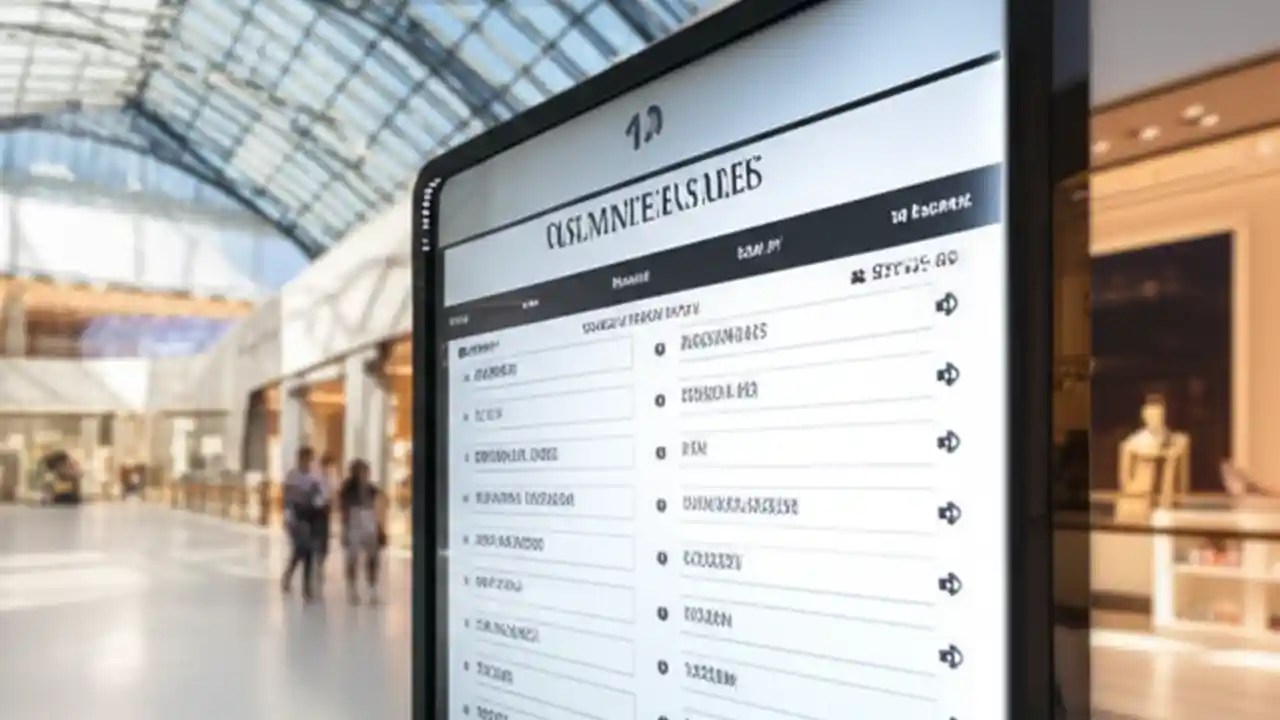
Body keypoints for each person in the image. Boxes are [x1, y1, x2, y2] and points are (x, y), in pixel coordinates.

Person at [339, 459, 386, 605]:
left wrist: (380, 526)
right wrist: (345, 529)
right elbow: (343, 510)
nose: (364, 474)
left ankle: (372, 589)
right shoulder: (347, 489)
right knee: (352, 558)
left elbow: (380, 504)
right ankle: (352, 589)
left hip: (369, 524)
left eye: (366, 471)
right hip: (354, 524)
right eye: (361, 471)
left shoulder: (372, 489)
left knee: (373, 557)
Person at [281, 446, 323, 601]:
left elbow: (318, 496)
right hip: (296, 517)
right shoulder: (293, 476)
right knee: (301, 549)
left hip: (310, 516)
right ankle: (292, 577)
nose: (308, 462)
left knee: (307, 552)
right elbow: (288, 498)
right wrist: (288, 516)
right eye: (306, 458)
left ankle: (305, 586)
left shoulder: (313, 478)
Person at [313, 454, 339, 589]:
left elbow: (333, 493)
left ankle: (320, 562)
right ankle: (316, 562)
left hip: (325, 510)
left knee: (324, 538)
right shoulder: (316, 477)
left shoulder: (332, 477)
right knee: (317, 536)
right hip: (317, 510)